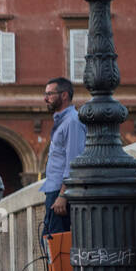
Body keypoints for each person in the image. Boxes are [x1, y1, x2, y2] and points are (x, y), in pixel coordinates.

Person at [42, 76, 86, 238]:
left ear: (64, 95)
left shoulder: (72, 122)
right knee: (50, 243)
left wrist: (62, 195)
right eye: (45, 94)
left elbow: (74, 161)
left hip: (60, 194)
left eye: (50, 94)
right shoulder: (63, 121)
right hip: (53, 191)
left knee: (58, 245)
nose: (45, 98)